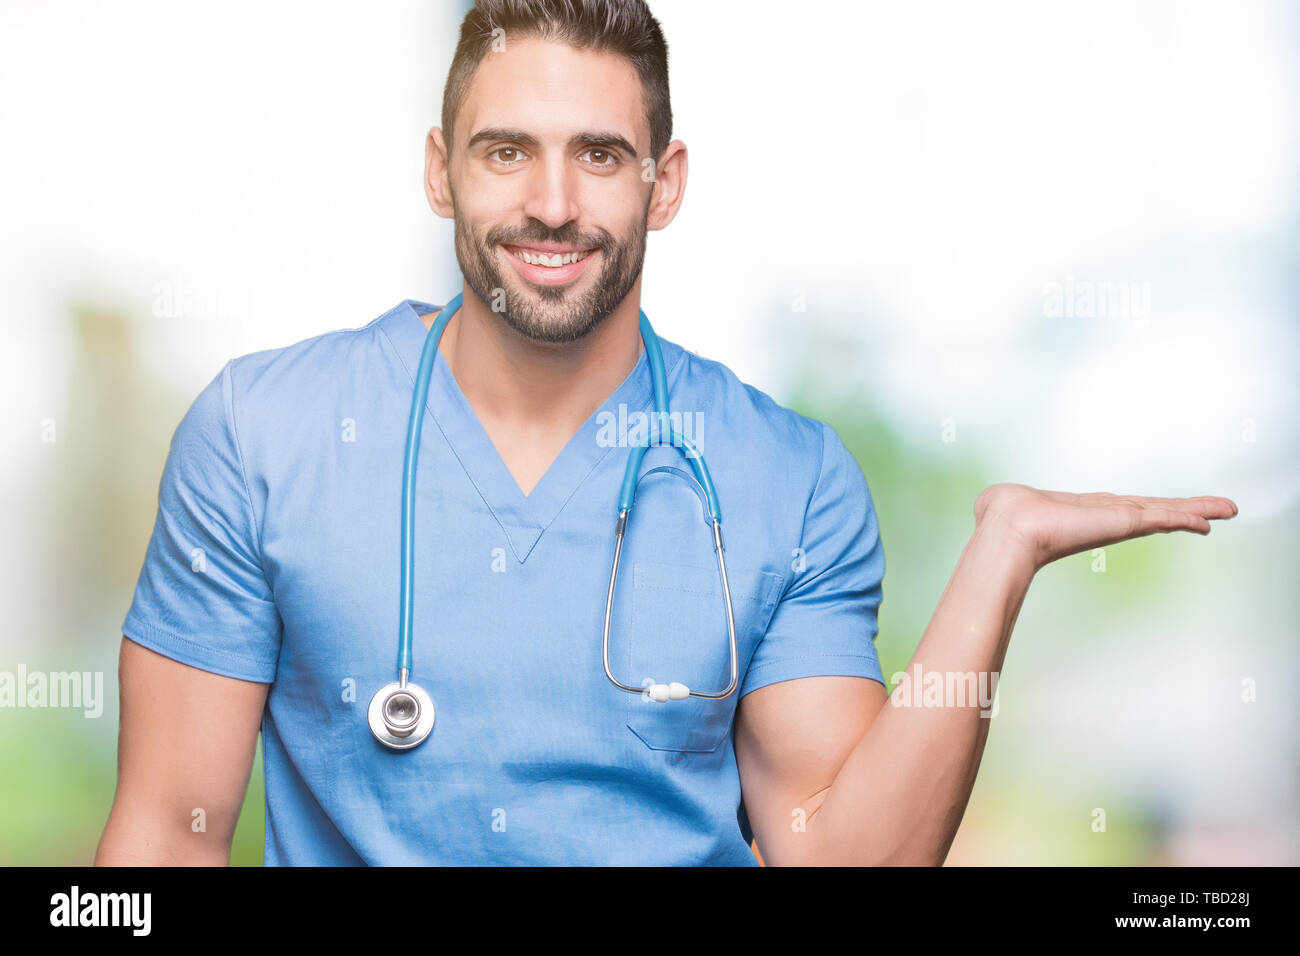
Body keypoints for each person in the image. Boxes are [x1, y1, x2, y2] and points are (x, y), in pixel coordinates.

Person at [94, 0, 1236, 866]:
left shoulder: (786, 480)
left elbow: (843, 855)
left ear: (664, 182)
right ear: (440, 172)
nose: (552, 201)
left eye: (599, 154)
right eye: (506, 151)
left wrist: (1002, 554)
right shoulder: (264, 433)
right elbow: (165, 834)